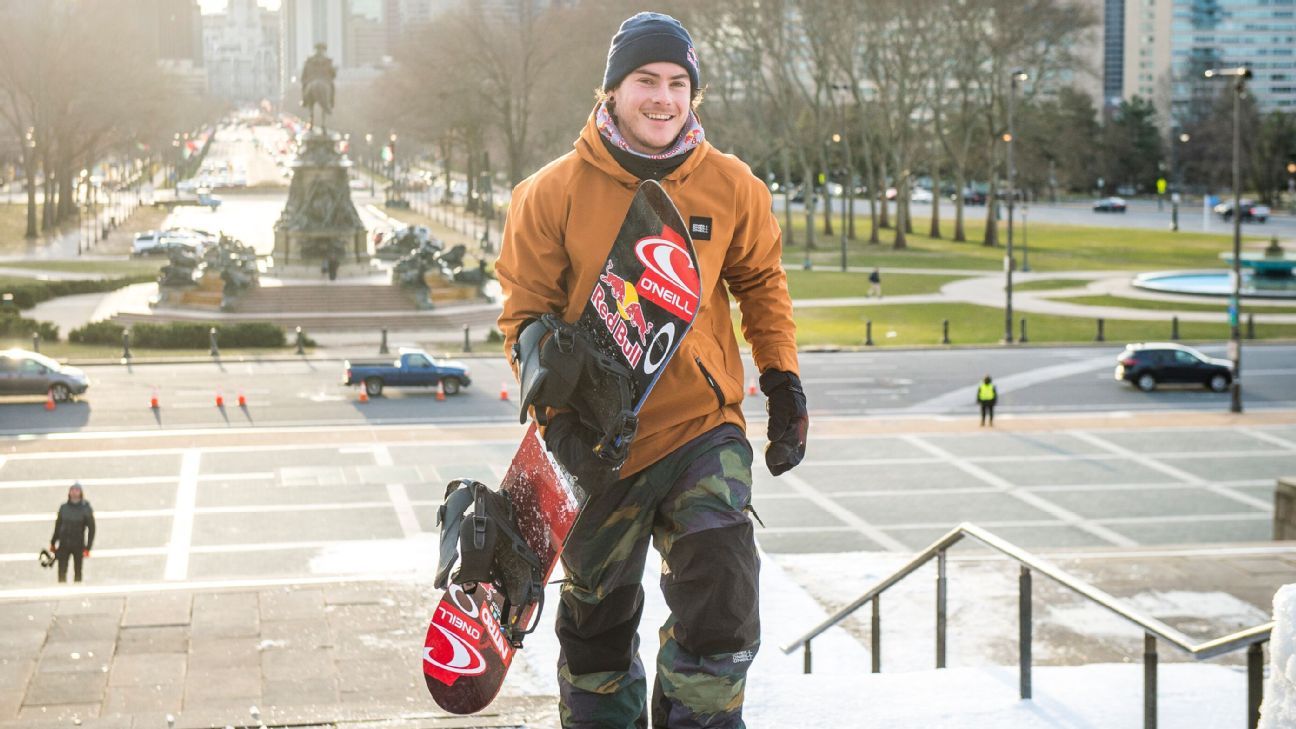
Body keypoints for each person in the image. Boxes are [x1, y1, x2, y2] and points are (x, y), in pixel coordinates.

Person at [495, 12, 807, 728]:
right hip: (595, 442)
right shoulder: (549, 193)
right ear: (612, 90)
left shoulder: (733, 187)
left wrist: (783, 380)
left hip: (703, 429)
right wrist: (548, 383)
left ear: (693, 94)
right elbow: (523, 313)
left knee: (723, 589)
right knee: (596, 623)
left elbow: (762, 283)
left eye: (677, 82)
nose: (663, 97)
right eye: (646, 80)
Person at [50, 483, 95, 583]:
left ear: (81, 493)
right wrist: (53, 542)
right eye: (72, 490)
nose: (74, 492)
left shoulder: (85, 509)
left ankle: (77, 593)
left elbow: (92, 529)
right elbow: (58, 526)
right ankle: (62, 591)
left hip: (78, 544)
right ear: (69, 492)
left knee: (78, 570)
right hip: (64, 543)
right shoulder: (64, 508)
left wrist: (88, 547)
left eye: (77, 490)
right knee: (62, 570)